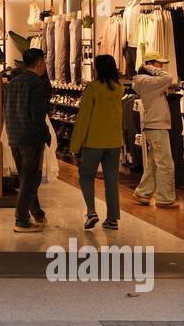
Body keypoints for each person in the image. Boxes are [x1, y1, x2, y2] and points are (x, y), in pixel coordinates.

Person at [70, 54, 125, 230]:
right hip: (114, 141)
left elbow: (84, 118)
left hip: (94, 140)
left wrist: (75, 145)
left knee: (86, 176)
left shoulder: (93, 88)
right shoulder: (119, 88)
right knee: (111, 180)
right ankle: (112, 219)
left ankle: (92, 211)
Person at [2, 48, 50, 231]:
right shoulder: (36, 84)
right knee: (30, 179)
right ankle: (21, 220)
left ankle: (38, 213)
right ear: (38, 63)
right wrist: (45, 134)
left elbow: (7, 110)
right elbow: (37, 115)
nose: (45, 65)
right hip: (31, 138)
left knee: (26, 178)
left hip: (14, 136)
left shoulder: (13, 82)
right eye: (44, 62)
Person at [132, 51, 177, 208]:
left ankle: (142, 192)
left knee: (154, 163)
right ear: (151, 64)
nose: (162, 66)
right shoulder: (147, 81)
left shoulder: (146, 82)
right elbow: (167, 77)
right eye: (159, 63)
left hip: (156, 125)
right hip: (156, 126)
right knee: (165, 163)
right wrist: (149, 68)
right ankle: (165, 198)